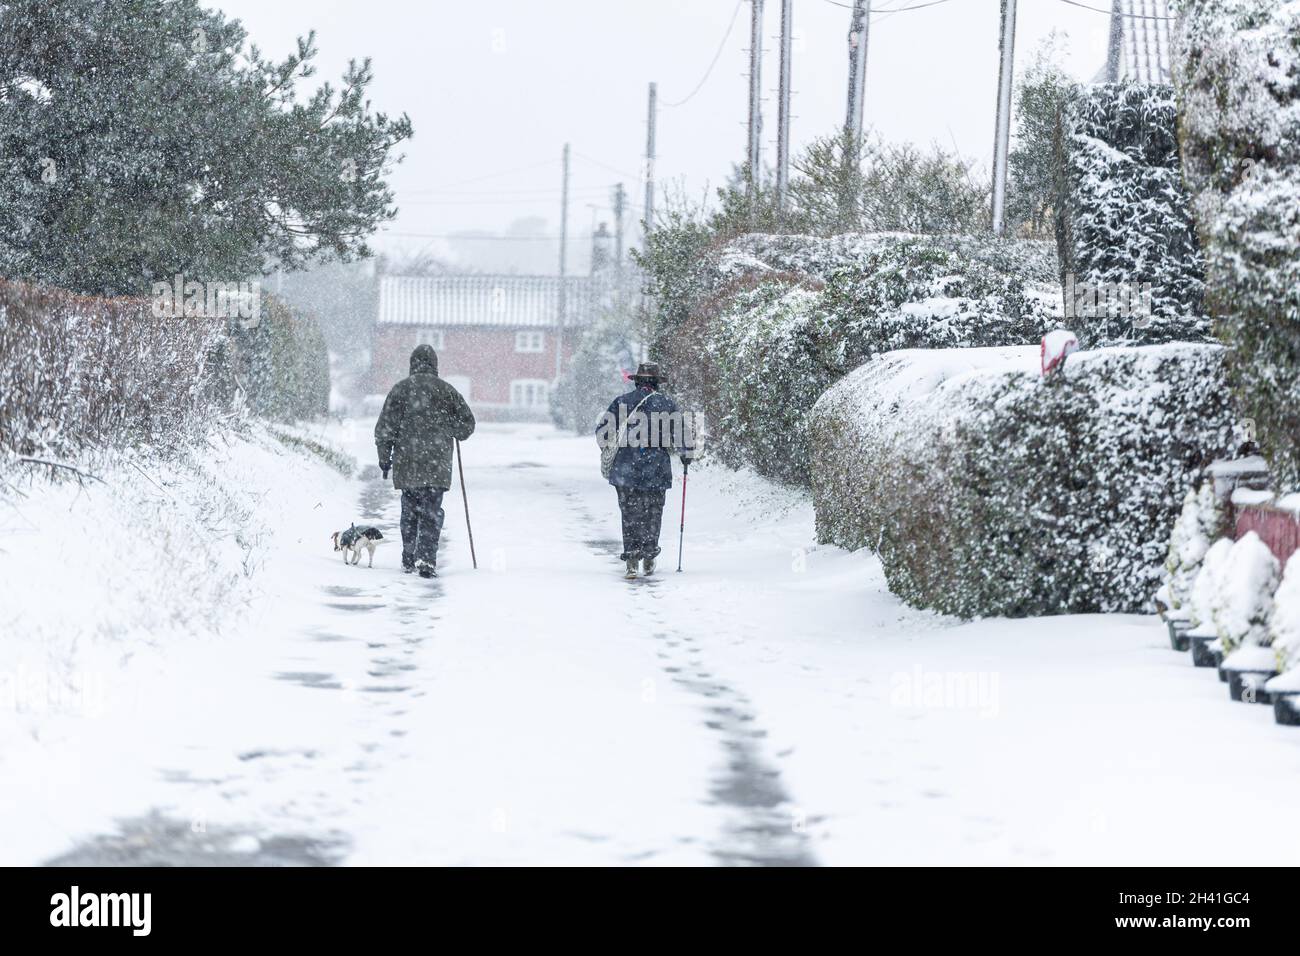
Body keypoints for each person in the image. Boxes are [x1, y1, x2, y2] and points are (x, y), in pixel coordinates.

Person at [374, 344, 475, 578]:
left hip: (407, 464)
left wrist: (384, 458)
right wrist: (451, 428)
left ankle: (409, 557)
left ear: (412, 364)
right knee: (431, 511)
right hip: (436, 465)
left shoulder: (400, 390)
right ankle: (426, 559)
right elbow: (468, 424)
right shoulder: (446, 390)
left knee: (409, 511)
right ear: (435, 365)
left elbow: (384, 429)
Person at [596, 362, 695, 579]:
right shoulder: (667, 404)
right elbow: (682, 435)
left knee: (630, 513)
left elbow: (602, 432)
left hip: (625, 468)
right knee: (653, 513)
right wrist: (686, 454)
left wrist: (616, 447)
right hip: (656, 468)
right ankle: (649, 554)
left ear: (638, 381)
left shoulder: (622, 402)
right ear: (656, 383)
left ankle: (632, 558)